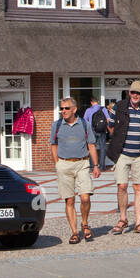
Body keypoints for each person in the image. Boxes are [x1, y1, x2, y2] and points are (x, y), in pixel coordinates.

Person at [52, 97, 100, 243]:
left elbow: (91, 145)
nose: (63, 111)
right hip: (64, 165)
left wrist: (96, 165)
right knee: (70, 200)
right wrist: (57, 164)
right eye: (61, 108)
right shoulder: (57, 125)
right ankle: (74, 232)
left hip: (82, 164)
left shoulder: (85, 124)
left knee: (85, 197)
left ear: (74, 109)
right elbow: (53, 145)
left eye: (66, 108)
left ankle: (84, 223)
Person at [107, 80, 140, 234]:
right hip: (122, 153)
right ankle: (123, 219)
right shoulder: (118, 107)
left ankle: (138, 223)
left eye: (138, 93)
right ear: (129, 92)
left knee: (139, 187)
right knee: (122, 186)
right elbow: (111, 126)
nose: (135, 95)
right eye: (133, 92)